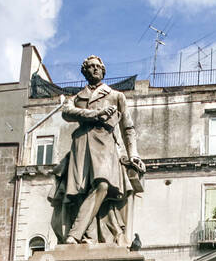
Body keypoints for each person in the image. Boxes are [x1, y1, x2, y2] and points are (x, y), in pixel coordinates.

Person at [50, 55, 145, 245]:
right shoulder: (77, 97)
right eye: (91, 67)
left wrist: (133, 153)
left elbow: (128, 127)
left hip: (105, 144)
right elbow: (67, 113)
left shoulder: (116, 96)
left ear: (103, 70)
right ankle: (88, 236)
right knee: (79, 193)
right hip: (81, 145)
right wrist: (95, 114)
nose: (95, 69)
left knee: (102, 185)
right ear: (85, 71)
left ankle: (75, 234)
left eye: (98, 67)